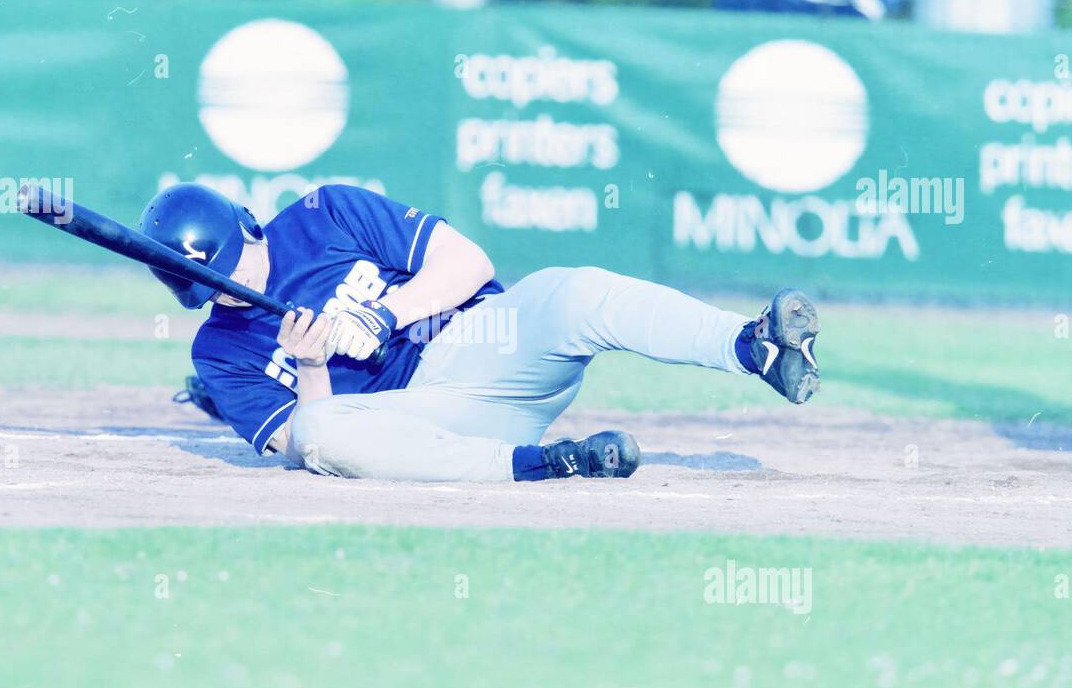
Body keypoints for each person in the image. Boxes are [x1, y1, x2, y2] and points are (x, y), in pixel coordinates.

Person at [147, 182, 819, 483]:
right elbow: (309, 447)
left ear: (249, 223)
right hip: (426, 421)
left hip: (487, 346)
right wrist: (313, 363)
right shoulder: (218, 351)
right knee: (323, 430)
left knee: (576, 289)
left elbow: (470, 262)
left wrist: (384, 313)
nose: (238, 286)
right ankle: (546, 463)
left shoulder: (327, 211)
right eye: (222, 284)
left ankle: (748, 344)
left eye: (243, 266)